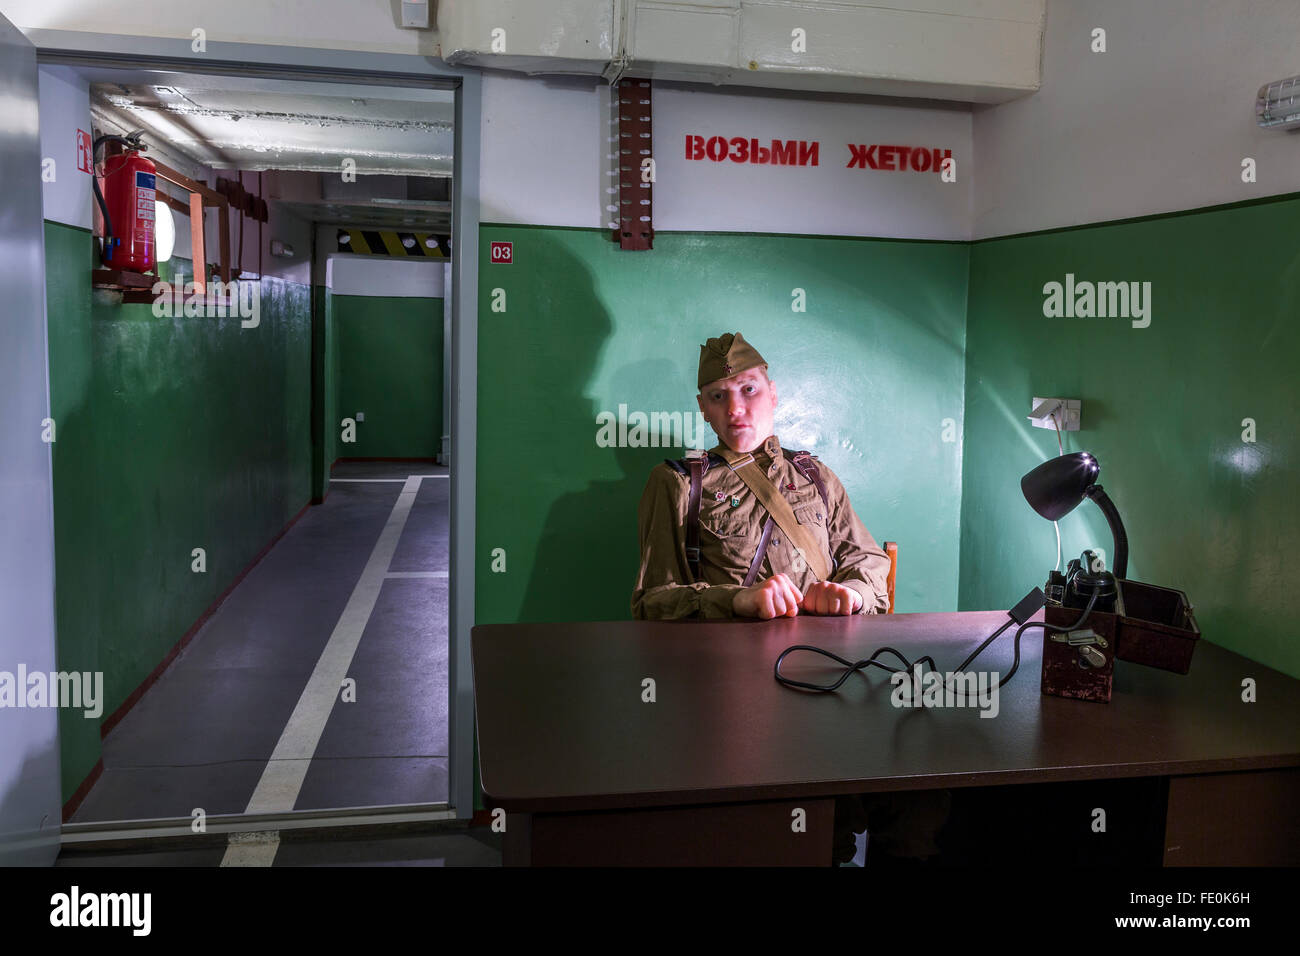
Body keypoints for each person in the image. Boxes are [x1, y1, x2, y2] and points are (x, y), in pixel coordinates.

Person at [630, 332, 951, 865]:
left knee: (922, 797)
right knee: (805, 828)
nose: (736, 409)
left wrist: (846, 595)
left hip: (836, 684)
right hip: (736, 699)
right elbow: (651, 601)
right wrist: (736, 601)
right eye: (718, 396)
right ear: (702, 409)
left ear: (774, 393)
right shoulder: (677, 484)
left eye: (748, 389)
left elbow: (870, 564)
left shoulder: (815, 476)